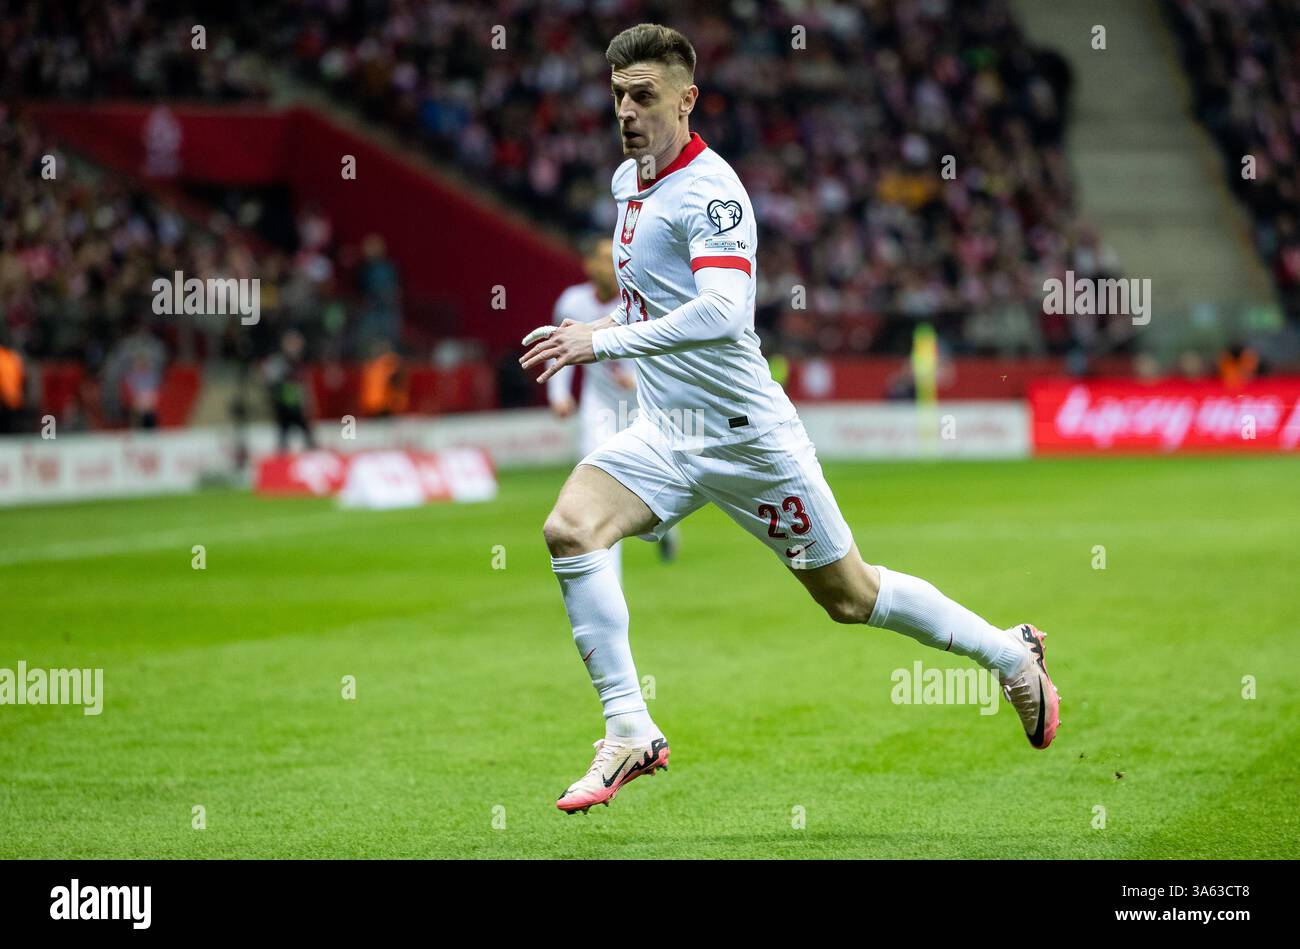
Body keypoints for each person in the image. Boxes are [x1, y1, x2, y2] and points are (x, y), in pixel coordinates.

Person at [520, 24, 1061, 815]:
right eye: (616, 97)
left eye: (643, 96)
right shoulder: (625, 184)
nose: (627, 112)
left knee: (849, 595)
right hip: (666, 432)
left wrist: (601, 341)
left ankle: (1010, 656)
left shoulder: (712, 193)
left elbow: (721, 310)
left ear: (686, 99)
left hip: (744, 436)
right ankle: (629, 728)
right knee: (570, 529)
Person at [546, 235, 679, 581]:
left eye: (614, 258)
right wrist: (559, 395)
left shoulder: (639, 297)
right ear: (589, 265)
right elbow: (561, 349)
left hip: (644, 407)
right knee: (596, 493)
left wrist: (637, 381)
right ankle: (608, 577)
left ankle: (664, 526)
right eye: (604, 259)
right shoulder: (572, 301)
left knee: (658, 483)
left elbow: (667, 345)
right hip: (598, 407)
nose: (611, 265)